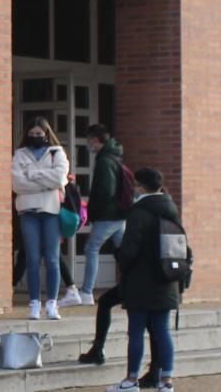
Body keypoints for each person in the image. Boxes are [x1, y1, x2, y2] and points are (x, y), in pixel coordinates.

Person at [106, 168, 178, 392]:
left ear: (142, 187)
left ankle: (131, 380)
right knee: (163, 331)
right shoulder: (171, 210)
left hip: (140, 282)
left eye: (136, 185)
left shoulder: (139, 213)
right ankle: (166, 382)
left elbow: (130, 250)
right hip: (166, 281)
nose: (134, 189)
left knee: (136, 331)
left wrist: (119, 257)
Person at [11, 116, 70, 321]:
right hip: (28, 212)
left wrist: (33, 174)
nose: (36, 137)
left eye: (40, 134)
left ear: (47, 134)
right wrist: (46, 180)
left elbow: (60, 178)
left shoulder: (57, 152)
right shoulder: (19, 154)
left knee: (52, 259)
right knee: (32, 258)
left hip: (51, 211)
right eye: (32, 134)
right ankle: (34, 303)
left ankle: (52, 303)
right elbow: (17, 184)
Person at [62, 123, 125, 307]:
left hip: (108, 215)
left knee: (91, 248)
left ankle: (87, 291)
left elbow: (105, 190)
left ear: (95, 141)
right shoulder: (115, 156)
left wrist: (93, 210)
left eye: (89, 141)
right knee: (124, 253)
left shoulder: (105, 160)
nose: (88, 145)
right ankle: (132, 286)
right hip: (119, 214)